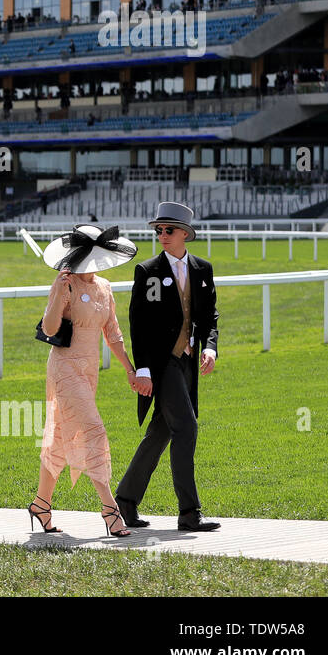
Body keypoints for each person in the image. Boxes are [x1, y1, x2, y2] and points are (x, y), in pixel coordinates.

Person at [114, 203, 221, 532]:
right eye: (158, 230)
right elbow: (138, 322)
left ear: (185, 234)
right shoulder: (147, 271)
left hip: (188, 361)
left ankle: (125, 502)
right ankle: (189, 512)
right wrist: (142, 368)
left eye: (168, 230)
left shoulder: (202, 270)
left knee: (161, 431)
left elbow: (209, 317)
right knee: (186, 429)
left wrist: (211, 348)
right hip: (162, 365)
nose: (162, 235)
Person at [28, 225, 140, 538]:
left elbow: (113, 335)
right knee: (94, 430)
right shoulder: (66, 283)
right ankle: (110, 511)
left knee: (61, 436)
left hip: (89, 373)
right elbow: (50, 330)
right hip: (63, 368)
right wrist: (59, 294)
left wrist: (130, 370)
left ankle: (41, 504)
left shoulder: (105, 287)